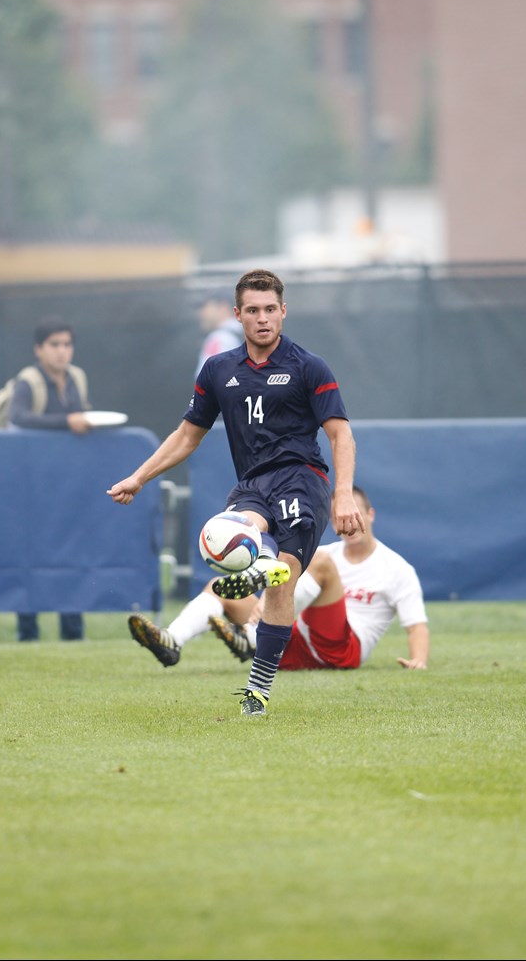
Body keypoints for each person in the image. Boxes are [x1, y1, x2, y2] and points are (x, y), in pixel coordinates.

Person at [108, 268, 363, 716]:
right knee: (233, 531)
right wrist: (139, 476)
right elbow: (188, 436)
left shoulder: (308, 366)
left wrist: (343, 493)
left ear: (283, 312)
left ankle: (258, 691)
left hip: (303, 481)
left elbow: (341, 436)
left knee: (283, 583)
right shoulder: (219, 370)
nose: (262, 318)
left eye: (270, 310)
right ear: (237, 315)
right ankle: (262, 570)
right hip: (252, 485)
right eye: (252, 311)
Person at [127, 485, 429, 673]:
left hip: (342, 652)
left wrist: (419, 660)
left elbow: (416, 626)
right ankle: (172, 641)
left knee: (314, 562)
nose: (347, 521)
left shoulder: (395, 567)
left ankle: (251, 634)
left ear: (370, 515)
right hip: (292, 645)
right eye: (339, 514)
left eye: (353, 513)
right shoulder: (326, 551)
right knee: (220, 589)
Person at [10, 316, 92, 642]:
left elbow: (83, 417)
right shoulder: (28, 381)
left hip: (66, 486)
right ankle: (27, 634)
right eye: (54, 345)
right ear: (39, 349)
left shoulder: (77, 378)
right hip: (28, 487)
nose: (62, 352)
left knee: (70, 557)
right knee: (28, 558)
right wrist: (66, 422)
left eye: (67, 344)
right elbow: (18, 417)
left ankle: (73, 633)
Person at [195, 290, 243, 376]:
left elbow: (208, 380)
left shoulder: (219, 338)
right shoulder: (247, 333)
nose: (201, 313)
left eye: (205, 307)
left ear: (223, 307)